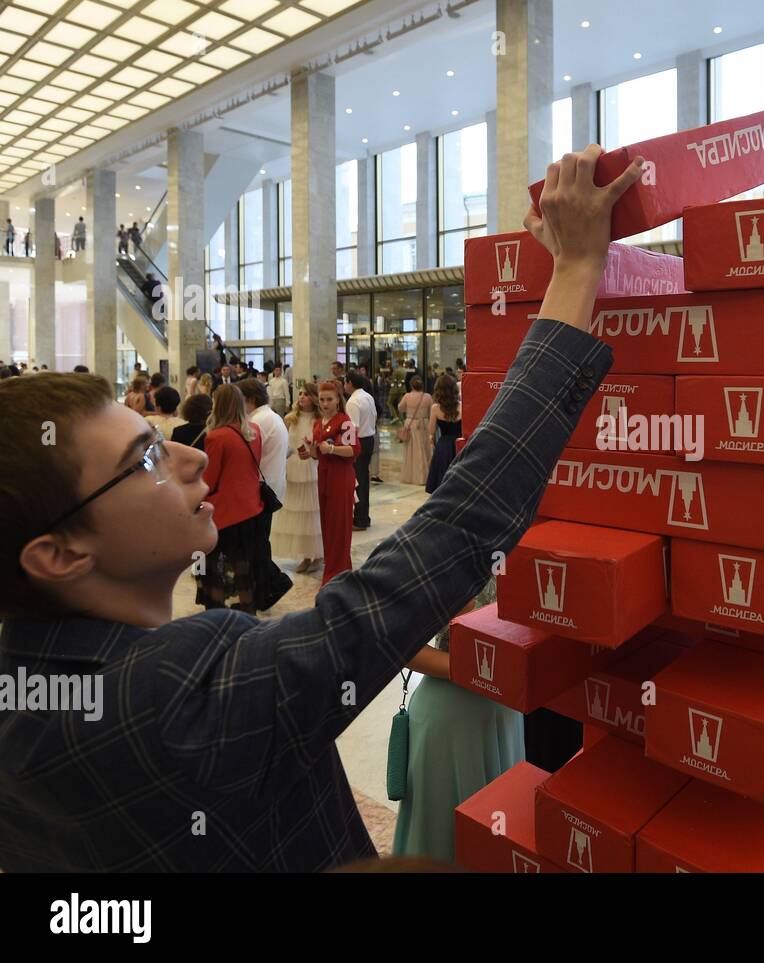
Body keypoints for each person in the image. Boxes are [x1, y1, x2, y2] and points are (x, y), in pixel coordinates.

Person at [0, 142, 636, 871]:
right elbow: (451, 533)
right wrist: (580, 268)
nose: (191, 455)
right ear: (57, 553)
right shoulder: (176, 695)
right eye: (143, 458)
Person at [392, 578, 524, 863]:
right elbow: (397, 640)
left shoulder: (522, 542)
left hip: (505, 708)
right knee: (442, 838)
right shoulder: (440, 546)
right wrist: (469, 667)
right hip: (451, 714)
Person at [195, 384, 264, 614]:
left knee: (213, 568)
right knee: (244, 566)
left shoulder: (217, 437)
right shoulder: (254, 430)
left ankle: (214, 611)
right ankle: (247, 609)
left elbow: (209, 481)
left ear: (218, 404)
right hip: (251, 507)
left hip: (225, 513)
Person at [237, 378, 292, 612]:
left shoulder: (258, 421)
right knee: (258, 541)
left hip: (260, 489)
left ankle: (275, 583)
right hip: (271, 486)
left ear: (249, 399)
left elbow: (247, 457)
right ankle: (263, 592)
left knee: (255, 544)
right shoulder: (272, 417)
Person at [308, 380, 358, 586]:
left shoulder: (344, 421)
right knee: (328, 525)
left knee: (339, 525)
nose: (325, 403)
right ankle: (332, 567)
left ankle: (338, 571)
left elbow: (352, 451)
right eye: (322, 399)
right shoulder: (318, 422)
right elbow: (316, 454)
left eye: (329, 399)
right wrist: (309, 449)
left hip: (341, 476)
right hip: (324, 475)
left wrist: (332, 449)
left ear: (338, 399)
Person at [273, 384, 324, 574]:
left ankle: (318, 554)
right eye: (300, 394)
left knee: (312, 512)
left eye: (306, 394)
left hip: (312, 467)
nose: (301, 397)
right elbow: (285, 444)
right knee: (297, 513)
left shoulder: (319, 420)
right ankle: (305, 555)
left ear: (314, 397)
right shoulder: (290, 419)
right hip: (293, 468)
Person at [343, 371, 377, 528]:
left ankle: (360, 518)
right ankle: (364, 516)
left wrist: (345, 447)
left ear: (350, 383)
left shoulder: (353, 402)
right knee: (363, 478)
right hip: (369, 438)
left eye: (345, 382)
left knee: (358, 480)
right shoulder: (367, 396)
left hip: (359, 441)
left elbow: (353, 427)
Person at [424, 373, 462, 494]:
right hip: (459, 445)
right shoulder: (462, 407)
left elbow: (431, 431)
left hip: (443, 446)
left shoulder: (435, 408)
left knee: (440, 481)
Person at [397, 376, 434, 485]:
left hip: (410, 424)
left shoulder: (407, 396)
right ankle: (424, 477)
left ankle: (411, 476)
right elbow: (431, 409)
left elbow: (400, 408)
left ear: (411, 385)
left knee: (411, 451)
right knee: (423, 449)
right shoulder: (427, 397)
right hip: (424, 424)